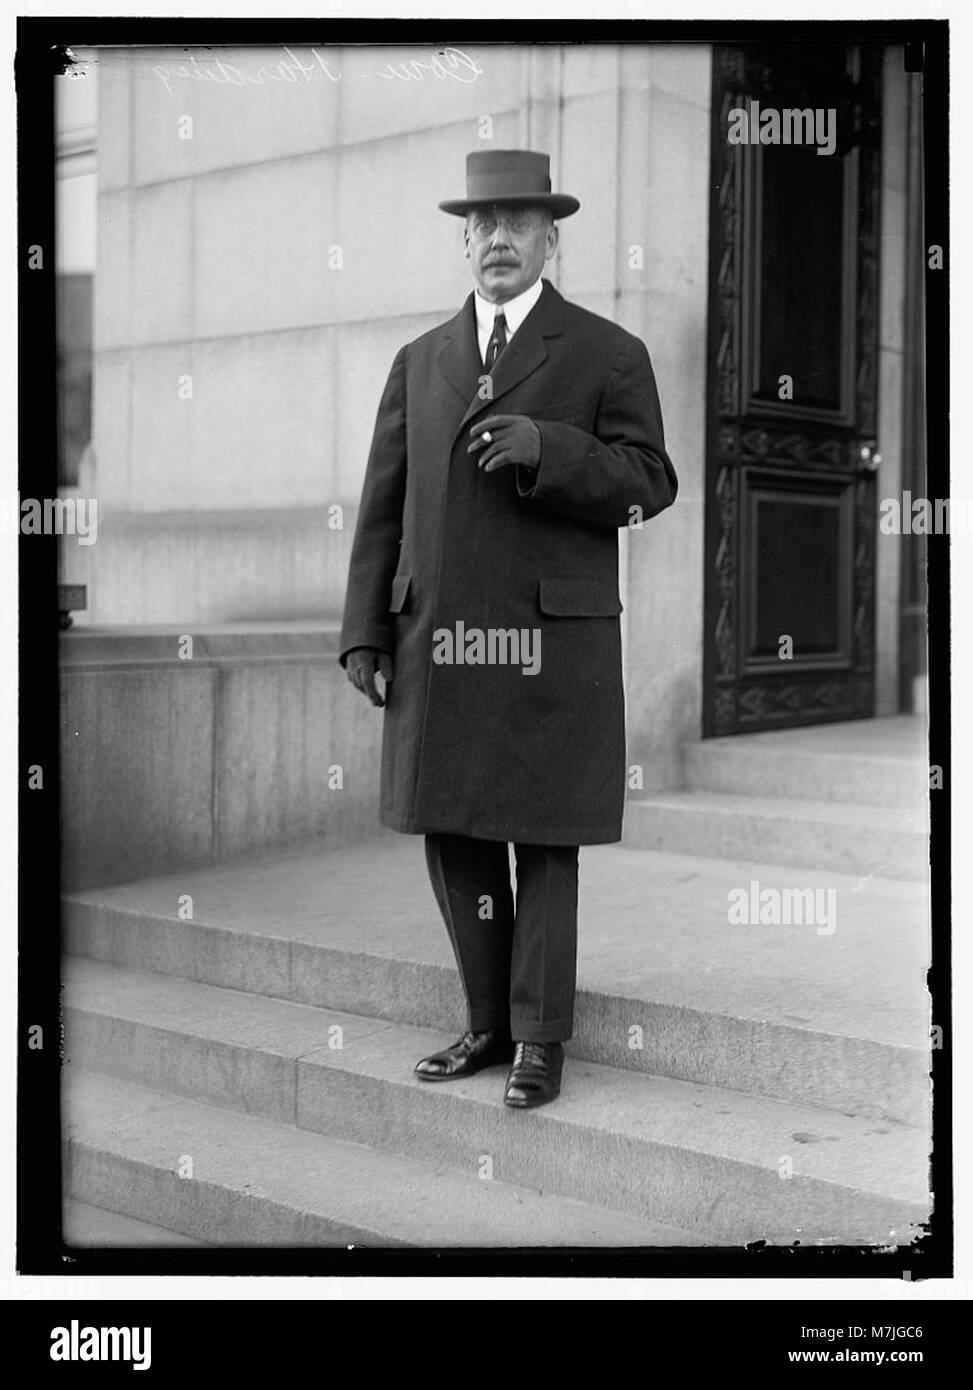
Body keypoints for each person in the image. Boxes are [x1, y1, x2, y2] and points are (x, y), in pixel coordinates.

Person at [340, 149, 677, 1108]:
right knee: (453, 834)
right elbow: (381, 507)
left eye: (517, 223)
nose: (497, 239)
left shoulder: (608, 352)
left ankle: (539, 1041)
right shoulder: (419, 362)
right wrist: (365, 629)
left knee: (543, 839)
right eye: (481, 225)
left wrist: (554, 451)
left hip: (546, 643)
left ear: (549, 239)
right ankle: (486, 1024)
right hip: (439, 643)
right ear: (464, 242)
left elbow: (650, 481)